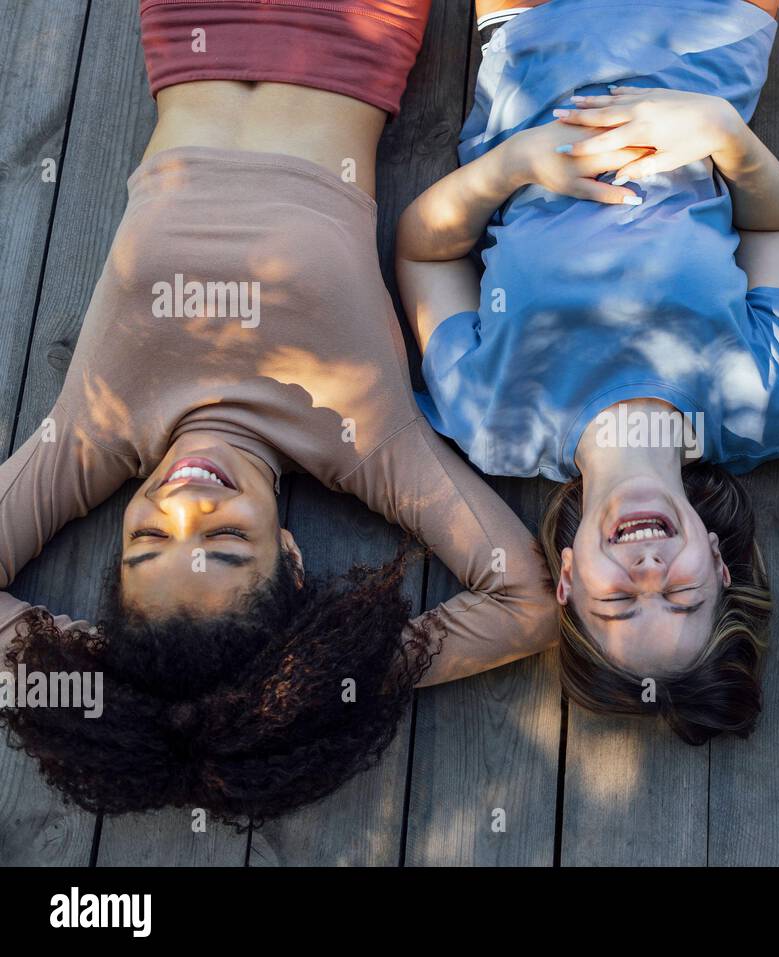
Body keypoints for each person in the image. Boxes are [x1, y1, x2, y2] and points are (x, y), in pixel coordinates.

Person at [0, 0, 556, 825]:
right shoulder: (365, 440)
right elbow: (527, 602)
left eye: (147, 540)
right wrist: (294, 681)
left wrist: (136, 680)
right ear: (291, 558)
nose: (187, 499)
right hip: (350, 27)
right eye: (227, 541)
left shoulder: (93, 430)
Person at [397, 0, 779, 744]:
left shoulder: (492, 420)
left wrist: (513, 163)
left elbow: (422, 253)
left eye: (619, 605)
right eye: (681, 596)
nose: (648, 571)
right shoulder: (766, 406)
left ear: (565, 582)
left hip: (534, 39)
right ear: (718, 565)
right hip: (711, 41)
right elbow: (773, 226)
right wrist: (722, 131)